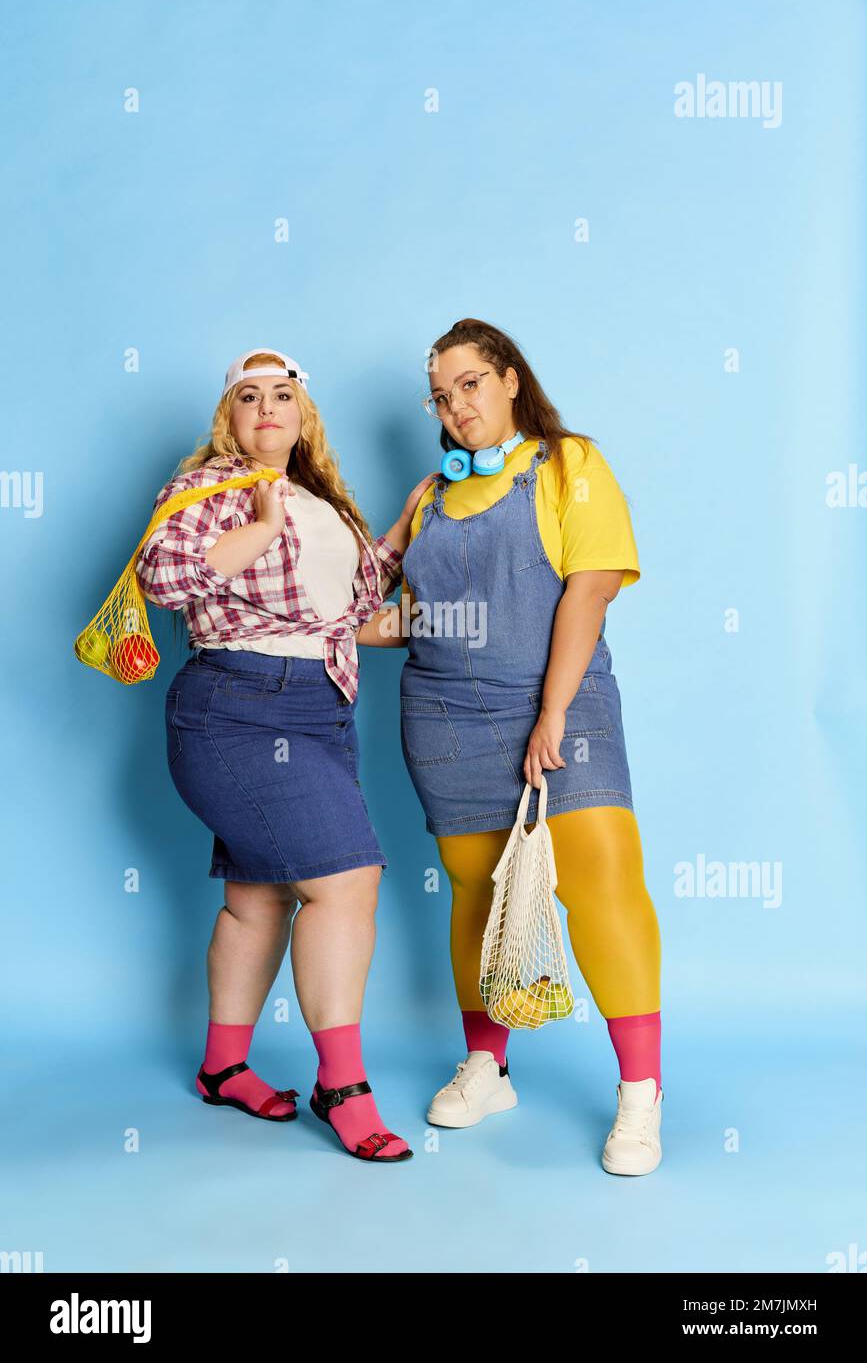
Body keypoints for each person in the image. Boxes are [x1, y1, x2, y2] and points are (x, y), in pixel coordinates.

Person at [365, 319, 663, 1175]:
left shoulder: (569, 463)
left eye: (469, 383)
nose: (455, 405)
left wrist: (552, 713)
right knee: (476, 895)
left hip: (560, 709)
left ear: (507, 380)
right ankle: (487, 1065)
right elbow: (399, 613)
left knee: (601, 879)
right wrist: (320, 627)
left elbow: (590, 588)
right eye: (441, 393)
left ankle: (639, 1094)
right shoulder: (429, 497)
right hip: (443, 715)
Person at [135, 348, 433, 1163]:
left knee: (258, 900)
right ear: (227, 419)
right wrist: (259, 525)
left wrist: (402, 532)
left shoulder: (322, 503)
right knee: (346, 880)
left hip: (318, 711)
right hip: (234, 706)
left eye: (282, 395)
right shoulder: (208, 489)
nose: (266, 407)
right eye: (247, 397)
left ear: (303, 416)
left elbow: (356, 610)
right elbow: (164, 578)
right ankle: (343, 1085)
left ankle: (222, 1066)